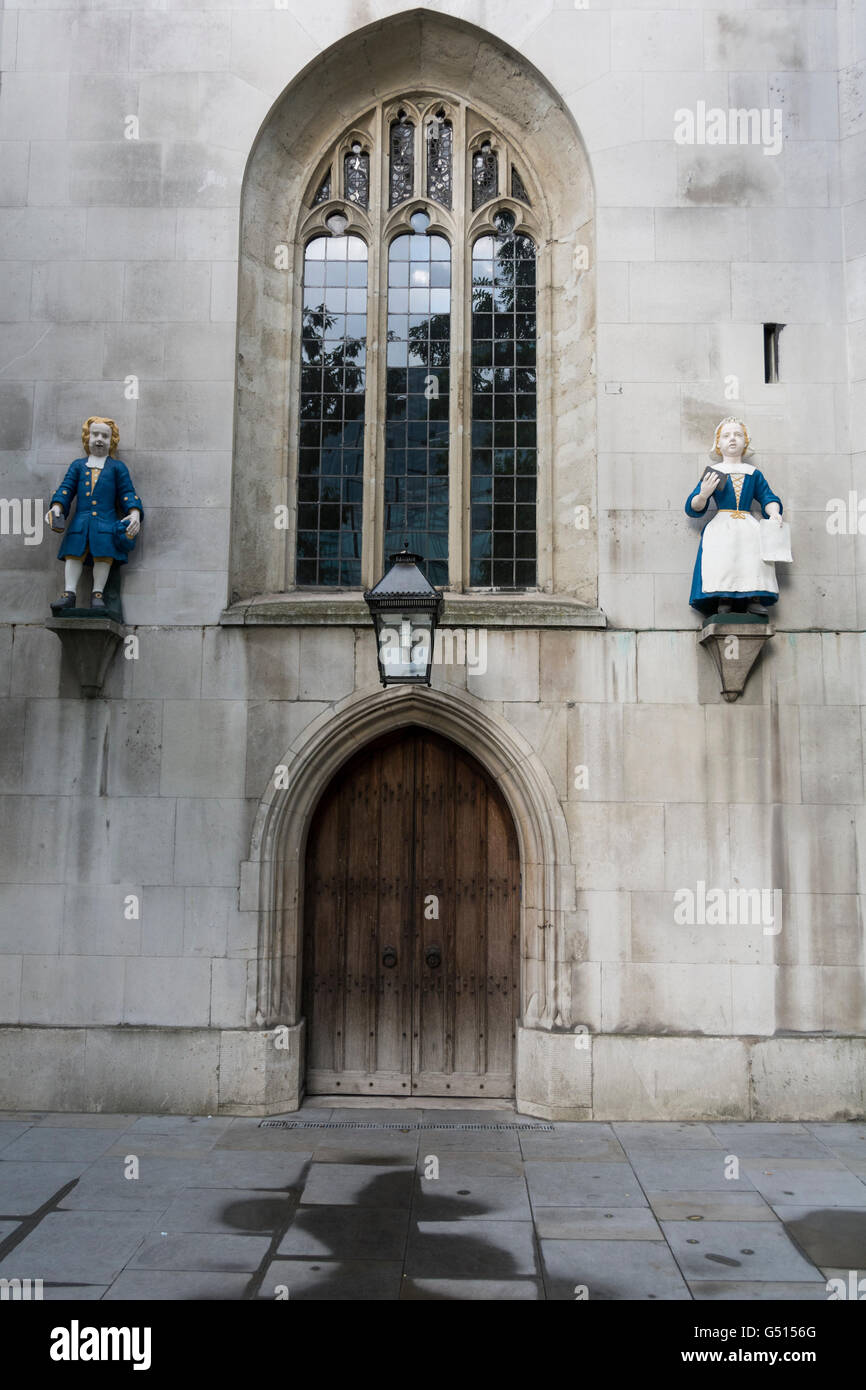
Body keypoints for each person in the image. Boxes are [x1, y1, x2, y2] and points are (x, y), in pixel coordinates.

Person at [685, 417, 783, 617]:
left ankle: (754, 597)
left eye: (738, 435)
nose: (732, 439)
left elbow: (767, 496)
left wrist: (774, 512)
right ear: (718, 443)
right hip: (723, 522)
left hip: (748, 523)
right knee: (722, 557)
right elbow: (694, 505)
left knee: (753, 556)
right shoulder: (714, 473)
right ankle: (724, 597)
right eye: (726, 435)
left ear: (745, 442)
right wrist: (703, 494)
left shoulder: (753, 473)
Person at [45, 417, 142, 613]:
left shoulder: (117, 468)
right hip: (81, 521)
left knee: (103, 556)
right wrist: (57, 507)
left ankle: (97, 594)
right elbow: (66, 489)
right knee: (74, 555)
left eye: (105, 436)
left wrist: (135, 513)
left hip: (106, 523)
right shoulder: (78, 466)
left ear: (111, 441)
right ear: (87, 437)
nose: (99, 439)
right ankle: (69, 594)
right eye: (95, 434)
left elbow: (127, 493)